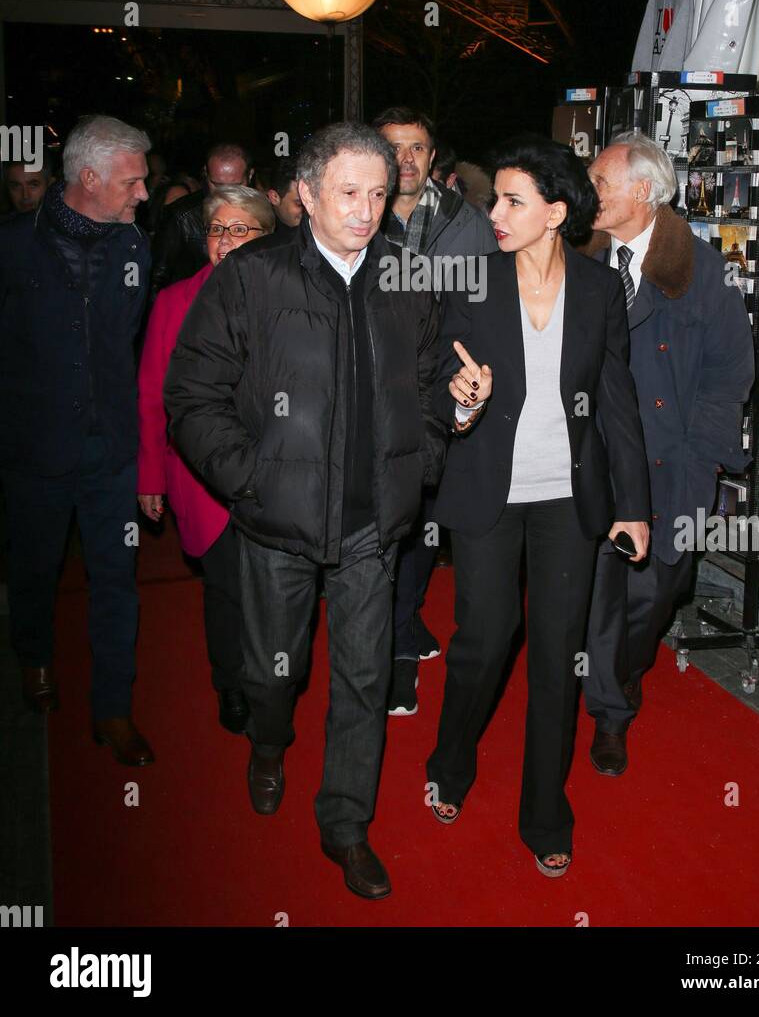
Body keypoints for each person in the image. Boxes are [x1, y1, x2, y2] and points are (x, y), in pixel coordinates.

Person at [164, 122, 446, 900]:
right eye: (349, 192)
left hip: (371, 528)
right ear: (307, 193)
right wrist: (250, 480)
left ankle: (346, 826)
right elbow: (191, 395)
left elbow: (428, 385)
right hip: (275, 525)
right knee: (270, 671)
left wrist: (424, 458)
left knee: (363, 680)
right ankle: (267, 740)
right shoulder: (251, 278)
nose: (365, 210)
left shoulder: (408, 275)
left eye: (379, 194)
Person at [426, 134, 650, 878]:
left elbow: (616, 400)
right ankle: (451, 758)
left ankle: (545, 809)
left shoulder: (597, 288)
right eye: (496, 198)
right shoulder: (471, 280)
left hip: (568, 496)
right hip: (489, 487)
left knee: (558, 656)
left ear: (555, 212)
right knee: (486, 639)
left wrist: (634, 504)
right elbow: (435, 378)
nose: (496, 211)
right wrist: (458, 403)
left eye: (514, 201)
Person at [582, 131, 755, 775]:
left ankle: (618, 673)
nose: (587, 193)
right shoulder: (577, 261)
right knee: (605, 589)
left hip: (673, 468)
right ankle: (610, 711)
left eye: (600, 182)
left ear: (643, 192)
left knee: (656, 591)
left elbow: (730, 373)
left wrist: (703, 457)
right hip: (596, 460)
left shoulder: (703, 272)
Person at [0, 115, 154, 765]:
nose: (144, 193)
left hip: (110, 452)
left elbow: (128, 346)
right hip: (35, 451)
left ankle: (112, 708)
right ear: (89, 178)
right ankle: (35, 658)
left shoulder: (135, 249)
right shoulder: (11, 246)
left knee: (116, 577)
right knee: (34, 568)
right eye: (133, 180)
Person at [371, 106, 497, 716]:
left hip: (437, 390)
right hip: (371, 391)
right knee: (379, 521)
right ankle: (385, 634)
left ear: (432, 155)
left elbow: (477, 311)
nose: (406, 160)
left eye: (417, 147)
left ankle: (401, 629)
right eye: (394, 148)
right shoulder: (357, 215)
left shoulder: (466, 224)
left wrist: (464, 389)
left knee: (423, 514)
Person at [138, 186, 275, 734]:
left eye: (242, 230)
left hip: (275, 478)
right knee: (224, 590)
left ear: (267, 239)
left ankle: (273, 679)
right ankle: (231, 683)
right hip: (202, 483)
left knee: (274, 592)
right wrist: (151, 476)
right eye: (219, 229)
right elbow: (151, 397)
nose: (227, 241)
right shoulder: (173, 303)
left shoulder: (286, 297)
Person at [149, 142, 253, 300]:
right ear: (205, 174)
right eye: (217, 185)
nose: (225, 193)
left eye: (235, 186)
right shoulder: (182, 216)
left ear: (250, 175)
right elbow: (157, 277)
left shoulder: (263, 212)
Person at [261, 156, 304, 236]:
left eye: (314, 202)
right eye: (300, 204)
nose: (309, 210)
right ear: (274, 197)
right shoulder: (260, 235)